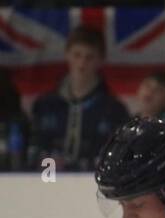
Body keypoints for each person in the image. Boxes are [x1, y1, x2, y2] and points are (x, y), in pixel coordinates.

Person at [29, 26, 129, 172]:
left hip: (94, 187)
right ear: (67, 55)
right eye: (77, 55)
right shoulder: (44, 105)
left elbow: (119, 159)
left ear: (100, 60)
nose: (81, 64)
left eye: (89, 57)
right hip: (48, 182)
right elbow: (32, 151)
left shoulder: (114, 110)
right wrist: (50, 164)